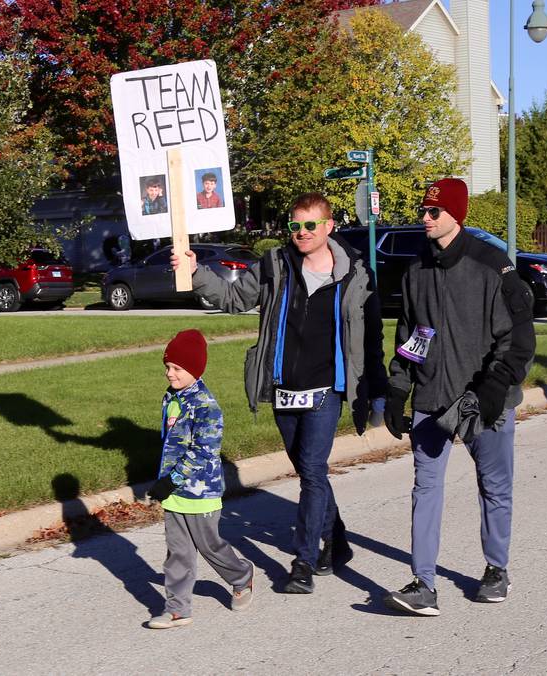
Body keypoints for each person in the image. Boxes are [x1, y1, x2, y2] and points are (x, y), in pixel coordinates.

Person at [171, 192, 387, 594]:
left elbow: (370, 338)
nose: (301, 233)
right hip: (283, 388)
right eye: (294, 225)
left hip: (326, 389)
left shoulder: (356, 273)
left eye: (310, 225)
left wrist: (378, 391)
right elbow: (234, 299)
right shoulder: (275, 264)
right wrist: (196, 271)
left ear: (328, 226)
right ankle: (337, 541)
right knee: (308, 470)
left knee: (313, 471)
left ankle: (303, 562)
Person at [381, 178, 536, 616]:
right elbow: (411, 336)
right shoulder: (417, 270)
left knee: (494, 486)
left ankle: (496, 570)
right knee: (425, 487)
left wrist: (494, 388)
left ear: (457, 215)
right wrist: (398, 387)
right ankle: (423, 585)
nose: (425, 218)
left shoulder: (493, 266)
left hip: (484, 400)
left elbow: (518, 339)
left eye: (434, 212)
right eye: (423, 210)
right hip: (432, 396)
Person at [146, 329, 254, 629]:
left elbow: (204, 452)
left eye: (177, 368)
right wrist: (165, 481)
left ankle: (241, 577)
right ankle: (177, 609)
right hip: (174, 492)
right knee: (178, 553)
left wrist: (171, 480)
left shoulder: (207, 407)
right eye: (167, 366)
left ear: (195, 369)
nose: (170, 373)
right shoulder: (171, 398)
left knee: (209, 547)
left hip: (200, 492)